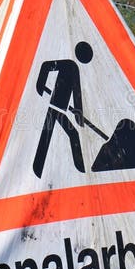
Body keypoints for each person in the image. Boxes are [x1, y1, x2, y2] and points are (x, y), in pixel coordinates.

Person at [32, 41, 93, 179]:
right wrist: (41, 86)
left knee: (53, 135)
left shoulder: (74, 68)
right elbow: (46, 67)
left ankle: (38, 168)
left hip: (61, 110)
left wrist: (79, 115)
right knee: (63, 135)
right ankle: (38, 169)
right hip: (54, 107)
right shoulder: (68, 65)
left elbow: (77, 95)